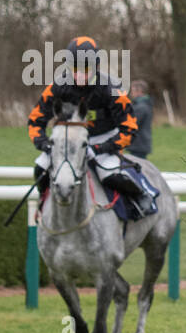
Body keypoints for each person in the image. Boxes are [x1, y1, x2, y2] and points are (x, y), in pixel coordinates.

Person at [27, 36, 156, 215]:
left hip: (104, 138)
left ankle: (140, 197)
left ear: (95, 67)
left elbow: (129, 129)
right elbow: (35, 120)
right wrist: (44, 144)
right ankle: (43, 202)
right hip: (68, 140)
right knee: (40, 167)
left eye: (86, 69)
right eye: (75, 69)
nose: (80, 75)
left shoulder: (111, 88)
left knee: (110, 174)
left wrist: (100, 148)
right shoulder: (57, 86)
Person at [129, 81, 154, 159]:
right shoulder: (144, 104)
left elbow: (132, 123)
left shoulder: (141, 107)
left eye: (132, 91)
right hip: (141, 144)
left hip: (139, 144)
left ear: (139, 91)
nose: (131, 94)